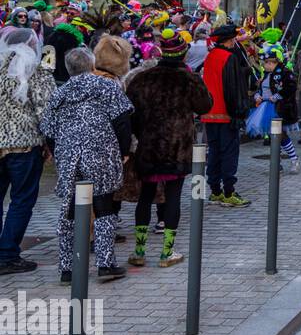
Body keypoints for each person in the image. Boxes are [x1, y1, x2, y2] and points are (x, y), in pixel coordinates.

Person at [41, 47, 133, 283]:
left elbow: (48, 129)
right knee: (104, 206)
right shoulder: (107, 86)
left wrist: (61, 150)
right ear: (92, 66)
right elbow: (122, 120)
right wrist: (124, 151)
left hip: (70, 155)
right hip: (101, 151)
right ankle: (105, 263)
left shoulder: (60, 92)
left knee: (70, 209)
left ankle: (67, 267)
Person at [125, 28, 213, 267]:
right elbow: (205, 105)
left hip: (148, 144)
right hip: (177, 145)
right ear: (183, 54)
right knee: (173, 195)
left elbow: (129, 111)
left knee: (146, 195)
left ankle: (140, 251)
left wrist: (139, 131)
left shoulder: (142, 78)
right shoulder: (189, 78)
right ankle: (167, 252)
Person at [0, 29, 54, 274]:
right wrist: (52, 144)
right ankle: (8, 253)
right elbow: (46, 110)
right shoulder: (36, 69)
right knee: (22, 200)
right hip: (24, 144)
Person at [200, 23, 252, 208]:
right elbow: (233, 89)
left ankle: (215, 190)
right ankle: (229, 191)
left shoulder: (210, 56)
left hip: (209, 113)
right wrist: (239, 112)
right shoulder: (228, 58)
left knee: (214, 152)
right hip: (226, 113)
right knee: (229, 152)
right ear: (230, 41)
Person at [256, 44, 300, 174]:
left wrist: (277, 96)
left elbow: (291, 87)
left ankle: (293, 159)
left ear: (274, 62)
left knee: (280, 135)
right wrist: (257, 95)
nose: (265, 65)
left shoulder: (285, 73)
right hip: (266, 108)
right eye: (265, 63)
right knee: (273, 136)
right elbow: (262, 89)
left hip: (280, 108)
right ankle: (277, 163)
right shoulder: (266, 74)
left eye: (268, 63)